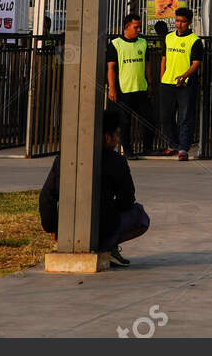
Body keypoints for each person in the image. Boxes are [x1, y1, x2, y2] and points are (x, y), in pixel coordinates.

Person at [38, 107, 149, 268]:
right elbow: (127, 200)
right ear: (107, 136)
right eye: (116, 135)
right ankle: (108, 247)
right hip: (103, 230)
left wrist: (53, 227)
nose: (117, 139)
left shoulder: (63, 159)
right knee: (140, 215)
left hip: (67, 230)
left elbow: (46, 196)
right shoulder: (117, 161)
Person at [157, 6, 202, 161]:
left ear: (189, 22)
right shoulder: (168, 38)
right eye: (177, 21)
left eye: (183, 21)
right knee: (165, 117)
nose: (179, 24)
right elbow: (164, 58)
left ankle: (183, 148)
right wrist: (162, 77)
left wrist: (184, 76)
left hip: (185, 85)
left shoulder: (194, 41)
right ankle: (173, 144)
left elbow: (196, 63)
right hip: (167, 83)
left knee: (184, 117)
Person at [106, 15, 151, 159]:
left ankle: (147, 148)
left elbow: (147, 64)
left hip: (141, 88)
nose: (138, 29)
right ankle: (128, 150)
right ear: (127, 27)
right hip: (124, 89)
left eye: (139, 26)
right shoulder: (115, 44)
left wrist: (149, 83)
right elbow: (111, 68)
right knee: (125, 122)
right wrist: (112, 88)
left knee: (148, 118)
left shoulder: (143, 43)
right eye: (135, 27)